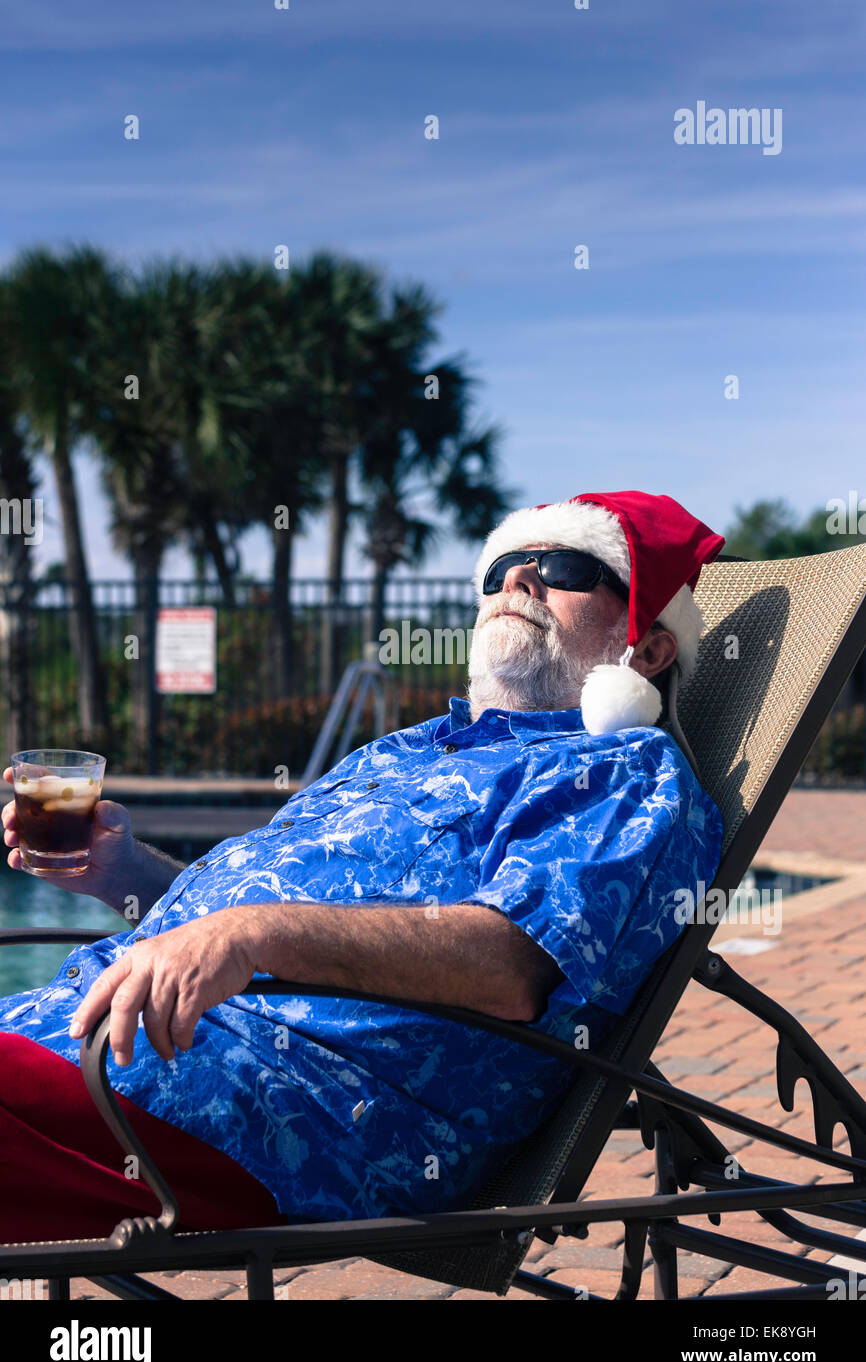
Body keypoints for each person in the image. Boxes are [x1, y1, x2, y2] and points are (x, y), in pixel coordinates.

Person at [0, 490, 725, 1243]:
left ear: (647, 648)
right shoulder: (404, 749)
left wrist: (252, 936)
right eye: (502, 568)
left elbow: (511, 969)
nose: (518, 581)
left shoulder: (622, 771)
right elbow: (226, 915)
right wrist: (120, 872)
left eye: (564, 567)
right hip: (91, 1034)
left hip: (282, 1105)